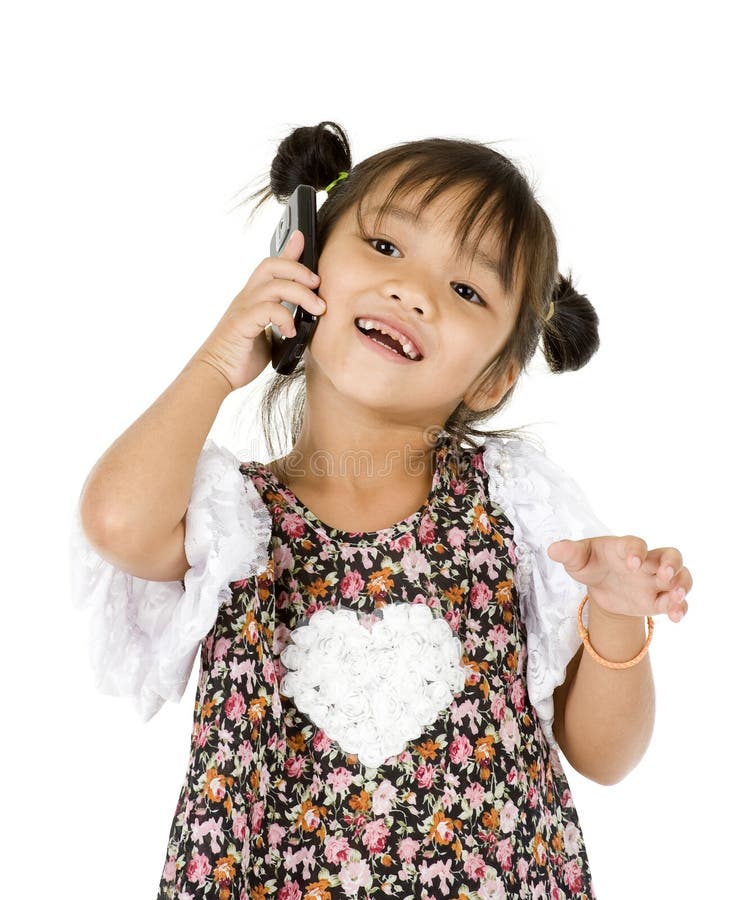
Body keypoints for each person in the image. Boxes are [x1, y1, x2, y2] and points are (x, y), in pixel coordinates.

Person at [69, 121, 692, 899]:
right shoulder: (231, 522)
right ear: (304, 257)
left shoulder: (513, 505)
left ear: (494, 378)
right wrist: (219, 358)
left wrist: (615, 612)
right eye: (387, 248)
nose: (414, 292)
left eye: (466, 291)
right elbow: (117, 524)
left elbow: (604, 755)